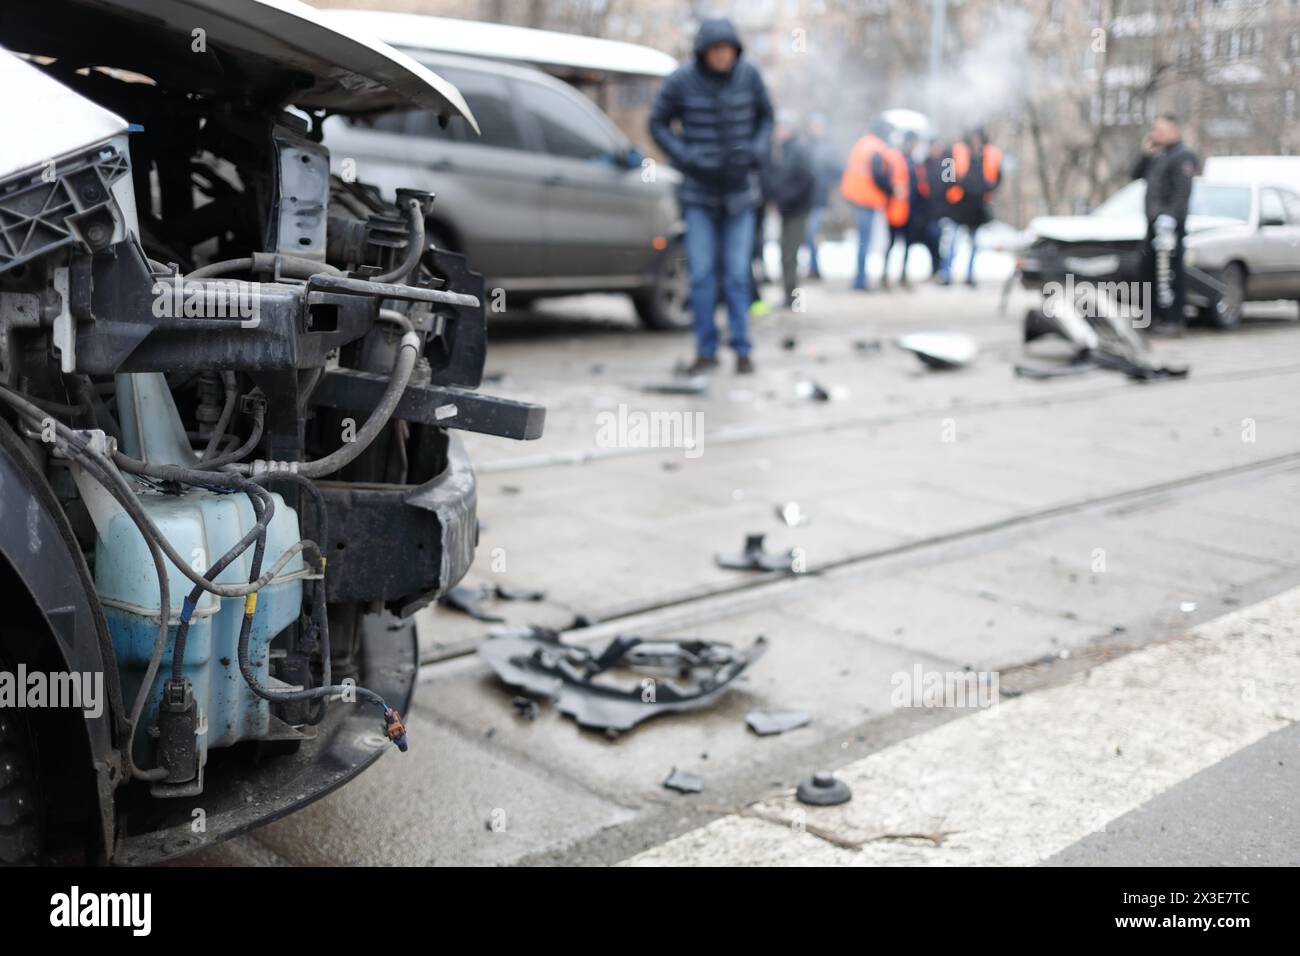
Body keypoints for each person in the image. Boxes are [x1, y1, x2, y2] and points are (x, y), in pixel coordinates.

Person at [650, 17, 773, 375]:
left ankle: (742, 349)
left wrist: (756, 150)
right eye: (716, 50)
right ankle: (705, 351)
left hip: (740, 194)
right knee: (701, 275)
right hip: (699, 195)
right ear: (703, 52)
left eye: (728, 50)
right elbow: (656, 122)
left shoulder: (749, 76)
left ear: (736, 50)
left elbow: (767, 117)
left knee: (737, 275)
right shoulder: (682, 81)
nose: (723, 57)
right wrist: (686, 157)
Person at [1132, 113, 1197, 336]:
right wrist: (1145, 153)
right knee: (1148, 271)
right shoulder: (1157, 155)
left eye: (1160, 130)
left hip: (1171, 226)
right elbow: (1134, 175)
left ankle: (1173, 320)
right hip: (1153, 223)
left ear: (1174, 131)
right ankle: (1151, 317)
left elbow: (1181, 192)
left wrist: (1170, 218)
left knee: (1170, 273)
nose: (1155, 134)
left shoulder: (1183, 156)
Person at [840, 119, 908, 291]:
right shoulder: (876, 148)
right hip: (866, 199)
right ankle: (860, 281)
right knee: (864, 241)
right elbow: (878, 176)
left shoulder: (864, 143)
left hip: (856, 197)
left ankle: (860, 279)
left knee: (863, 240)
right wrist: (893, 190)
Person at [763, 111, 815, 310]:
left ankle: (793, 299)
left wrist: (784, 198)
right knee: (786, 255)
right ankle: (790, 297)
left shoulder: (798, 150)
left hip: (796, 211)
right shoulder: (784, 150)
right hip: (788, 210)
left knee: (790, 255)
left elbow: (805, 180)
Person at [940, 127, 1002, 287]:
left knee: (974, 244)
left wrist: (986, 188)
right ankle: (946, 275)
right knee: (951, 243)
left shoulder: (991, 155)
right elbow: (945, 176)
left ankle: (970, 275)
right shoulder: (954, 151)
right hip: (958, 205)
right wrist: (960, 186)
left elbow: (998, 177)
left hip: (977, 207)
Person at [803, 114, 840, 280]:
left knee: (814, 234)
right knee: (809, 234)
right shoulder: (806, 147)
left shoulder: (829, 149)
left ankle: (814, 267)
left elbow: (836, 171)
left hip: (820, 199)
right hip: (805, 199)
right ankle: (813, 266)